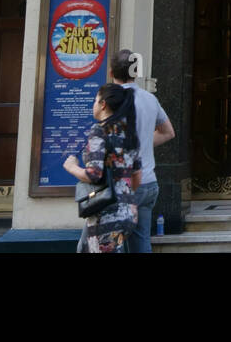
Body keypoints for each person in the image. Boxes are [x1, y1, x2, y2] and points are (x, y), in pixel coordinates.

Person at [64, 83, 141, 253]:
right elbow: (136, 176)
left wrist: (71, 167)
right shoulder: (129, 132)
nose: (93, 105)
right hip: (128, 212)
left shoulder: (100, 131)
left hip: (106, 213)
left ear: (103, 104)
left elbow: (94, 175)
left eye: (95, 101)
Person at [111, 49, 175, 253]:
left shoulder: (113, 100)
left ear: (112, 73)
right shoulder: (149, 99)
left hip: (124, 183)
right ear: (136, 72)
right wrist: (144, 142)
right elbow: (168, 132)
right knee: (141, 243)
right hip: (148, 182)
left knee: (113, 242)